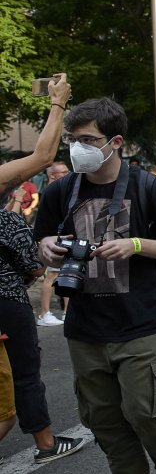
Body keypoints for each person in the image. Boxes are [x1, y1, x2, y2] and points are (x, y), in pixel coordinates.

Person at [34, 97, 156, 472]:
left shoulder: (148, 187)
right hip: (85, 328)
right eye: (72, 139)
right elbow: (40, 244)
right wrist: (47, 249)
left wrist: (135, 244)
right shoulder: (59, 192)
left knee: (146, 412)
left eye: (88, 140)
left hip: (139, 323)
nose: (78, 148)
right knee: (103, 420)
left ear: (116, 142)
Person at [0, 74, 85, 464]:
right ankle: (46, 443)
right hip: (6, 302)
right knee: (24, 374)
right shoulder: (10, 222)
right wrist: (58, 103)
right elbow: (42, 157)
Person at [36, 162, 71, 327]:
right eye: (62, 172)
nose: (67, 174)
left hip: (65, 239)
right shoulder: (51, 192)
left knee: (67, 273)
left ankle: (67, 311)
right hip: (54, 241)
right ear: (52, 176)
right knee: (52, 276)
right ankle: (44, 313)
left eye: (67, 171)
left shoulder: (64, 190)